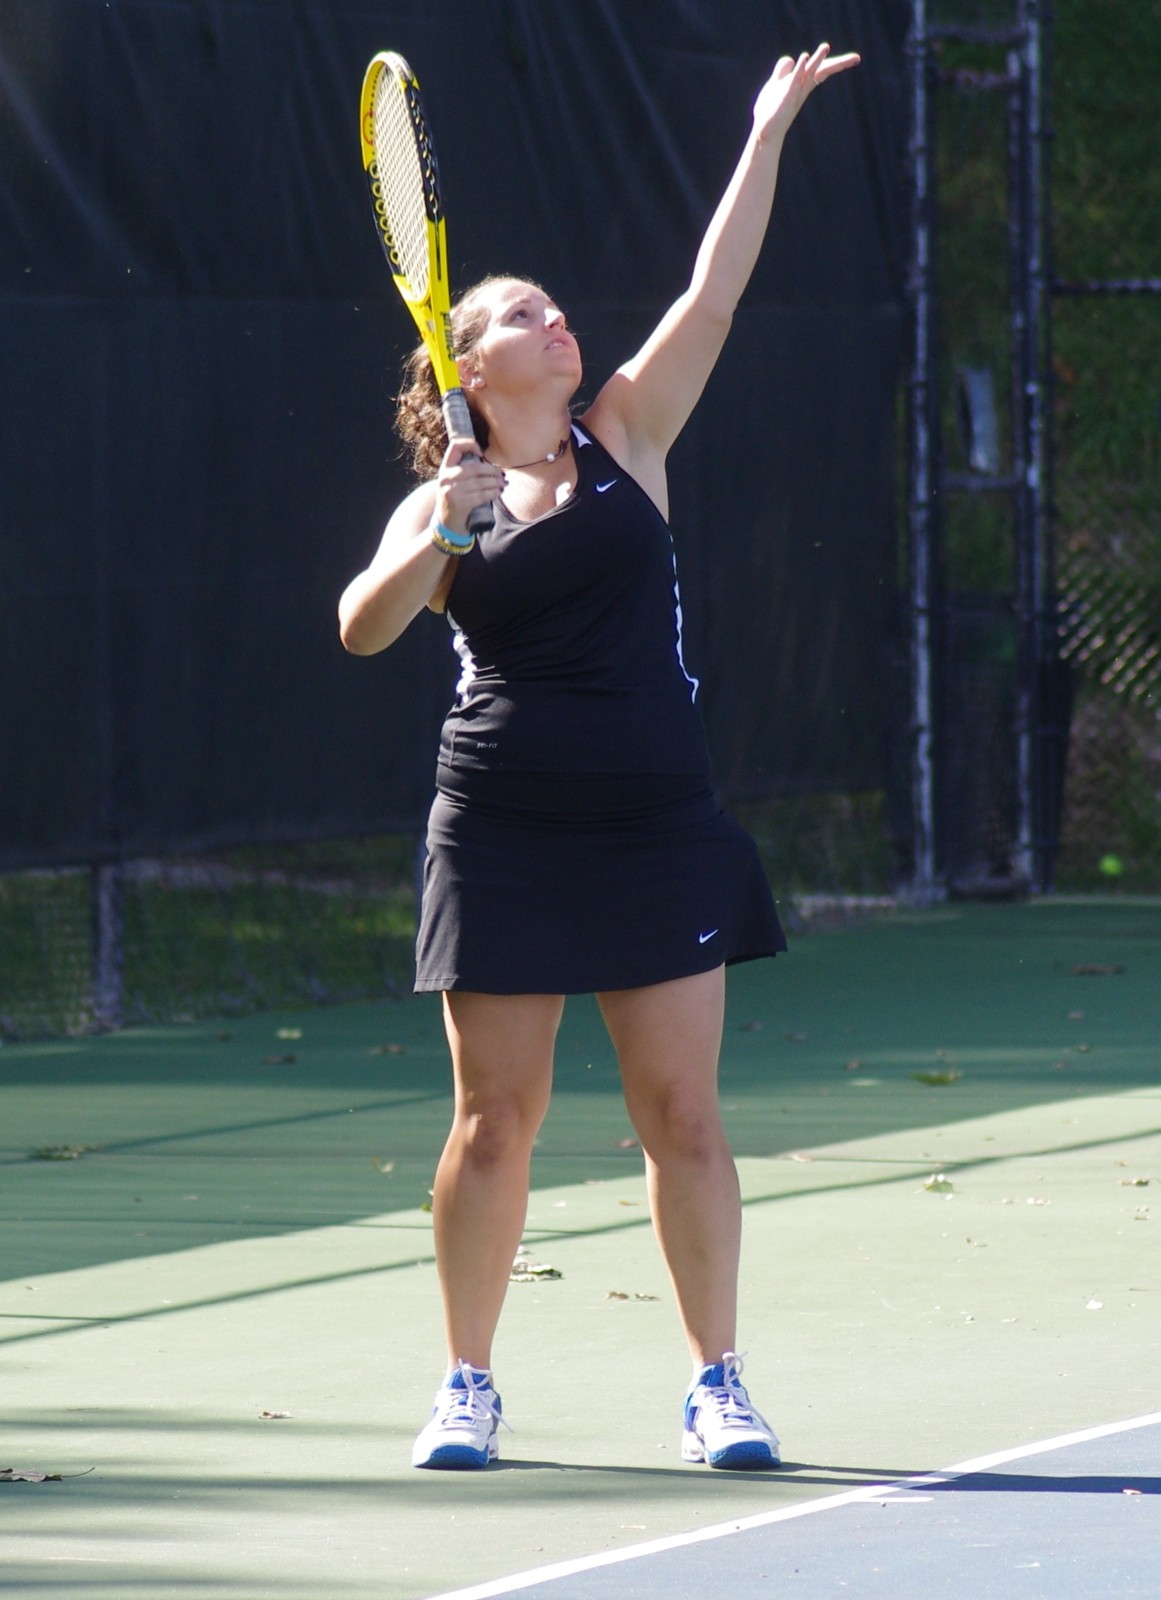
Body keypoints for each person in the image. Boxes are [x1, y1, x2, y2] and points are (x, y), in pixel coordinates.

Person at [339, 43, 860, 1471]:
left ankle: (717, 1385)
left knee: (682, 1114)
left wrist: (764, 136)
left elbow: (713, 294)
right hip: (500, 829)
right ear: (468, 362)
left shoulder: (628, 431)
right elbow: (361, 628)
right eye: (525, 314)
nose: (558, 322)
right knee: (494, 1122)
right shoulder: (442, 499)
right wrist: (446, 533)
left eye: (558, 310)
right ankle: (465, 1384)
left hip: (656, 824)